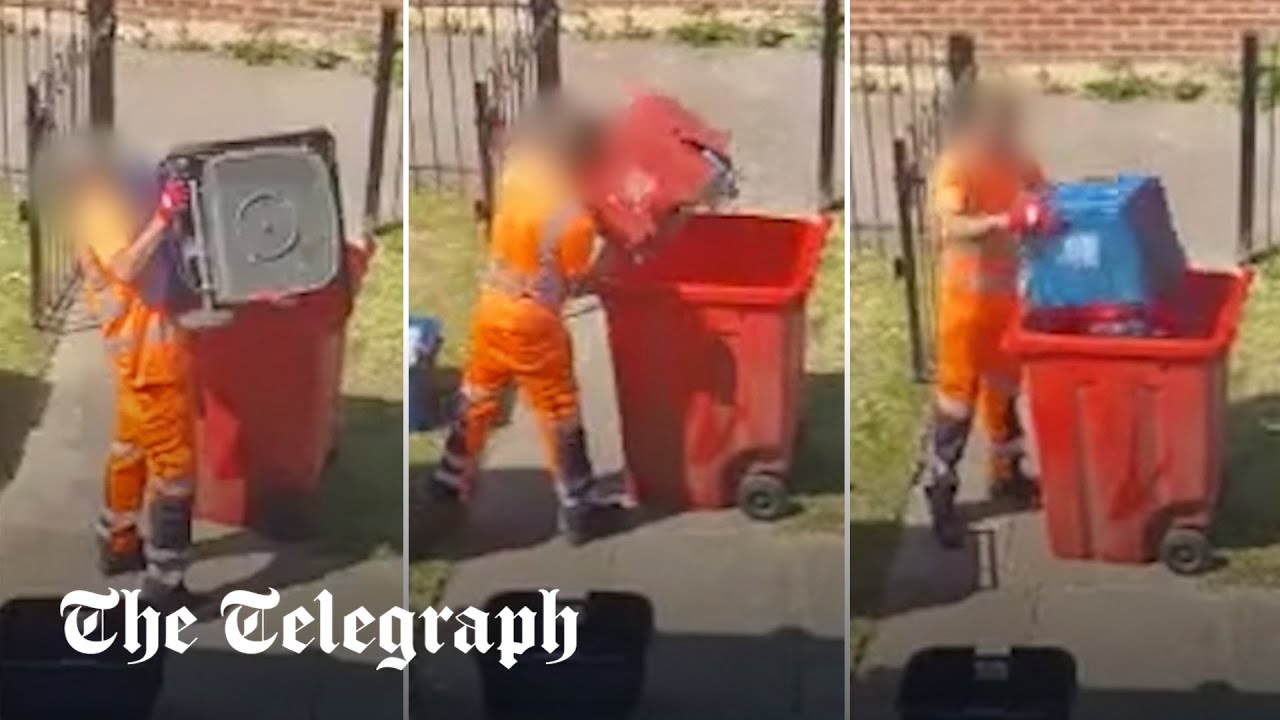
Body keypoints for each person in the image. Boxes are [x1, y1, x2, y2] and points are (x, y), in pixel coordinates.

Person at [411, 100, 624, 547]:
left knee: (478, 394)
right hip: (534, 322)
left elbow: (510, 151)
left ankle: (448, 482)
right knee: (557, 410)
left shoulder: (519, 171)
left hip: (492, 307)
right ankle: (579, 506)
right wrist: (614, 246)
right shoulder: (575, 219)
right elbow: (578, 276)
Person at [64, 137, 198, 608]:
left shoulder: (102, 203)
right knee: (175, 475)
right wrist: (163, 216)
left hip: (135, 359)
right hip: (151, 363)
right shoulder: (100, 209)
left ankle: (118, 540)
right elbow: (126, 264)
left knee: (129, 449)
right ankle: (165, 585)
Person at [921, 85, 1054, 548]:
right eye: (995, 126)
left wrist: (1046, 213)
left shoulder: (1016, 157)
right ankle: (941, 495)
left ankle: (1007, 476)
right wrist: (1003, 221)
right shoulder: (959, 164)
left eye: (1009, 126)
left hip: (1005, 302)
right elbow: (950, 226)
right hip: (965, 304)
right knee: (957, 402)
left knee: (1004, 392)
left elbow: (1043, 194)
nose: (1003, 135)